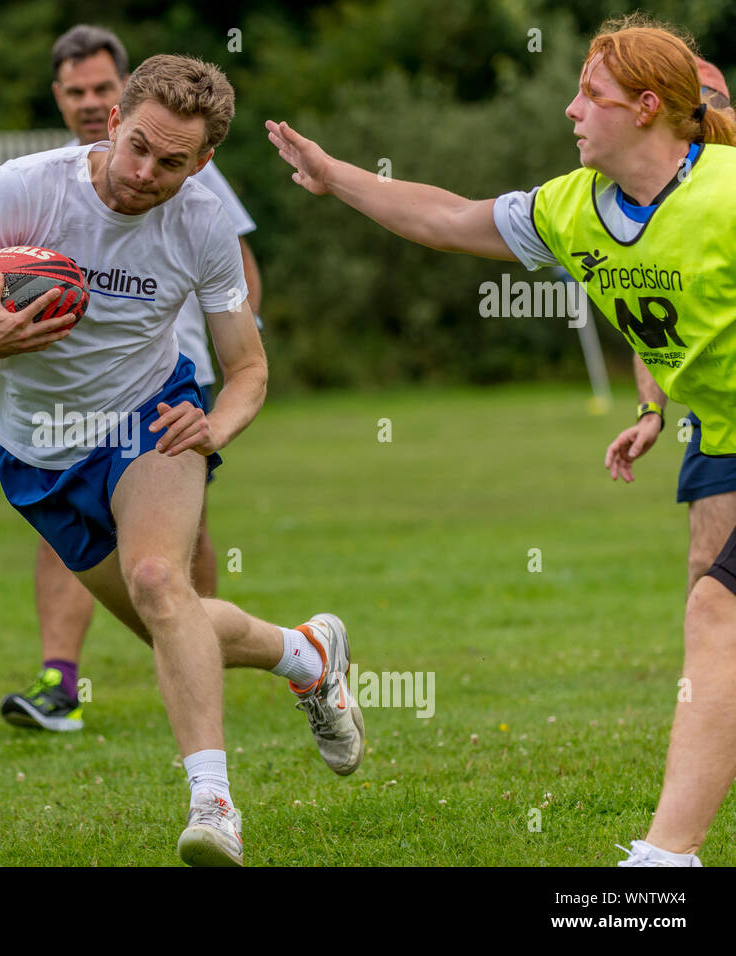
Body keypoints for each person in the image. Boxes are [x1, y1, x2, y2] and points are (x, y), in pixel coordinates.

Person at [267, 13, 736, 866]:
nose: (569, 110)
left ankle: (664, 866)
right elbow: (447, 219)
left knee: (717, 609)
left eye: (588, 95)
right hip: (727, 436)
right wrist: (336, 176)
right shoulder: (577, 207)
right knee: (714, 603)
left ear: (643, 106)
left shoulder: (730, 194)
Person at [0, 54, 363, 867]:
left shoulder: (202, 227)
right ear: (113, 121)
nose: (145, 173)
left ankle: (214, 807)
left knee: (161, 582)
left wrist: (216, 427)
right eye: (138, 148)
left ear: (205, 163)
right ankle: (309, 654)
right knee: (178, 628)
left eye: (173, 162)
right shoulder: (23, 188)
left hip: (148, 420)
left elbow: (248, 367)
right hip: (37, 448)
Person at [0, 24, 263, 733]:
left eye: (99, 87)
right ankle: (66, 677)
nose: (89, 102)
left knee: (166, 558)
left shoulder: (187, 169)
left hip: (167, 387)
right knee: (76, 532)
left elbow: (237, 278)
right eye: (76, 91)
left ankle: (193, 665)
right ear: (67, 100)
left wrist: (230, 373)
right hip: (66, 401)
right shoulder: (40, 182)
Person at [605, 58, 736, 598]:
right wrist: (651, 411)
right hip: (716, 420)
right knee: (708, 570)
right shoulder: (656, 205)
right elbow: (658, 324)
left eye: (719, 102)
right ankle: (705, 684)